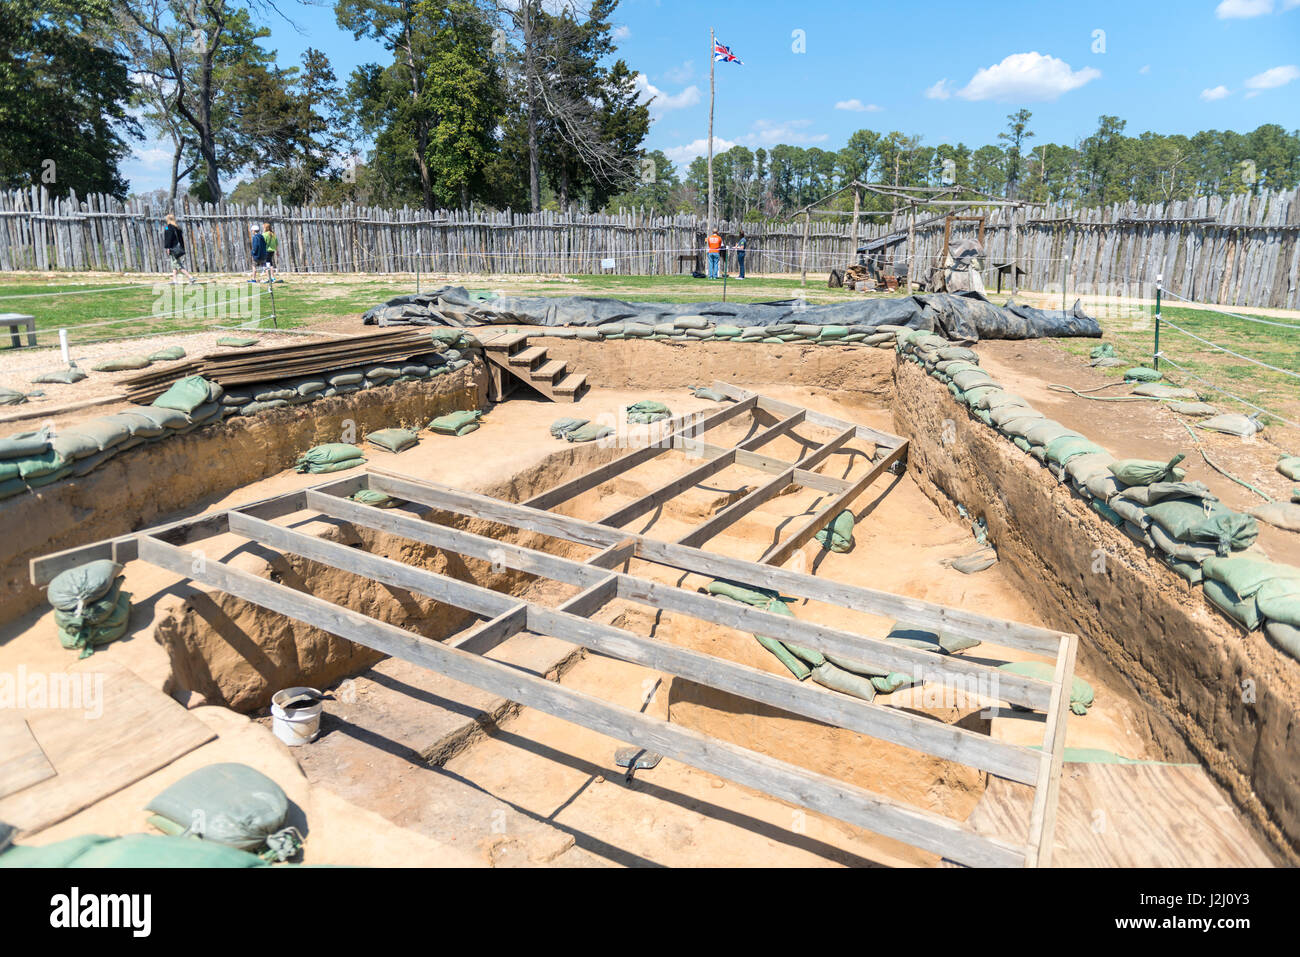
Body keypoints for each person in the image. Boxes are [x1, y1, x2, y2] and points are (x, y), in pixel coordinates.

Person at [163, 213, 195, 284]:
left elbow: (168, 238)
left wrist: (168, 247)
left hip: (173, 249)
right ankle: (174, 280)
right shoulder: (177, 227)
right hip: (178, 248)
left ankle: (190, 277)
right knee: (174, 265)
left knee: (177, 265)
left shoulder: (168, 227)